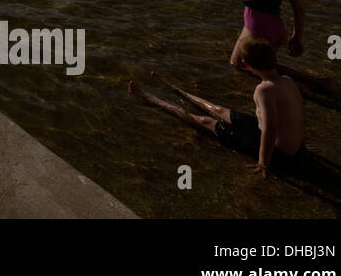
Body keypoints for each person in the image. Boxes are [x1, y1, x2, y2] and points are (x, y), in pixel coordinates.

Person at [130, 41, 304, 177]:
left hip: (278, 153)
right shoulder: (287, 80)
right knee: (218, 110)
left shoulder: (264, 89)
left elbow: (270, 130)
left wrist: (263, 163)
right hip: (285, 145)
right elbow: (293, 115)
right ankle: (175, 88)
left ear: (246, 63)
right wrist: (298, 143)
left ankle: (150, 99)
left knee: (205, 121)